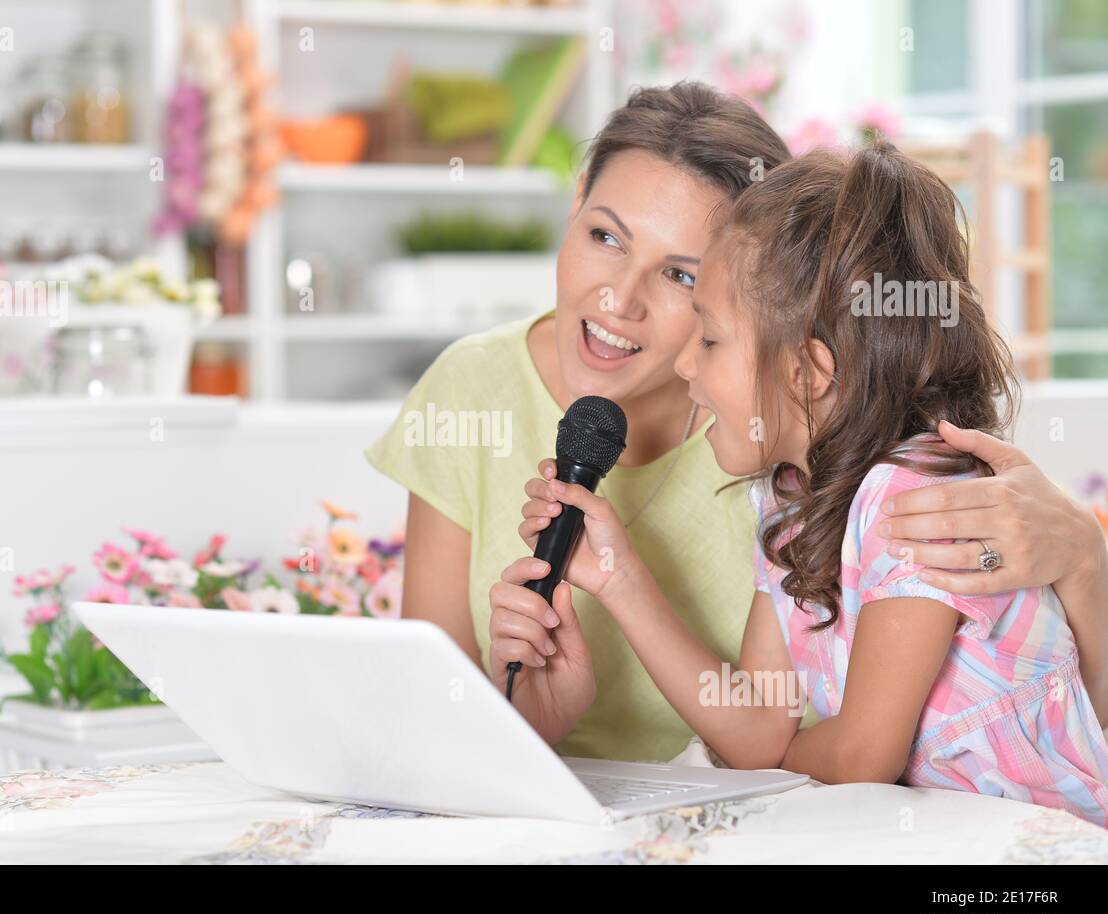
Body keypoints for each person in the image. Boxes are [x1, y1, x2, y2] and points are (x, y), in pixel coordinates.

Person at [365, 81, 1108, 763]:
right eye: (605, 235)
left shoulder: (822, 473)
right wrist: (536, 701)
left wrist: (1083, 558)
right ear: (575, 203)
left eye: (683, 277)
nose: (620, 299)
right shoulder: (781, 491)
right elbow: (763, 724)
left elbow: (843, 752)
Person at [501, 142, 1108, 824]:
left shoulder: (913, 497)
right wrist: (619, 578)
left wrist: (778, 762)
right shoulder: (787, 504)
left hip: (1052, 836)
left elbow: (859, 756)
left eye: (710, 339)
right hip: (946, 834)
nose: (685, 369)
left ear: (809, 372)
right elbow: (759, 725)